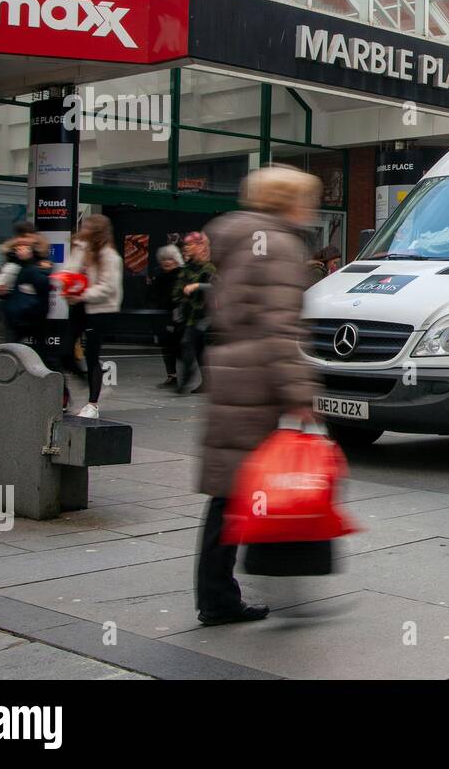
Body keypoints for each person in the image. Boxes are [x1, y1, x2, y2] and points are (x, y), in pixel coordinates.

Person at [195, 165, 322, 626]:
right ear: (288, 200)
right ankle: (225, 594)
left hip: (233, 372)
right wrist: (299, 393)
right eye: (307, 197)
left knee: (230, 492)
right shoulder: (280, 245)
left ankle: (218, 593)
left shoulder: (241, 239)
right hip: (257, 383)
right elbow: (281, 328)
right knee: (242, 492)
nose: (311, 207)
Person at [63, 214, 123, 420]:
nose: (85, 230)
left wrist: (81, 294)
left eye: (89, 228)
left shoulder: (110, 257)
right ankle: (88, 383)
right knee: (65, 350)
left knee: (91, 356)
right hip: (79, 305)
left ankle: (93, 403)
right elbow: (70, 271)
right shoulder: (80, 248)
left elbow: (108, 288)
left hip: (100, 309)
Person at [0, 232, 51, 345]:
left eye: (25, 246)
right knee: (11, 352)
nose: (21, 249)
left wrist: (27, 262)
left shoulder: (40, 263)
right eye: (18, 247)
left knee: (42, 354)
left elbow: (43, 285)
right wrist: (2, 293)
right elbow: (13, 290)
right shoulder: (13, 263)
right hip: (16, 317)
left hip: (35, 316)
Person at [174, 231, 217, 394]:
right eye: (186, 245)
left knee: (188, 342)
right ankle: (206, 382)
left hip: (203, 314)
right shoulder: (188, 267)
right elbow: (179, 290)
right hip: (190, 314)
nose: (187, 248)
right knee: (198, 348)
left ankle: (185, 381)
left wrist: (197, 286)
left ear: (200, 247)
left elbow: (217, 287)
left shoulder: (208, 267)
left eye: (191, 244)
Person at [148, 245, 185, 389]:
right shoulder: (158, 275)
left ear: (176, 260)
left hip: (178, 315)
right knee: (166, 346)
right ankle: (172, 376)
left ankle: (188, 375)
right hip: (161, 314)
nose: (167, 262)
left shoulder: (182, 274)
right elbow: (152, 295)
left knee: (180, 346)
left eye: (170, 259)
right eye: (164, 259)